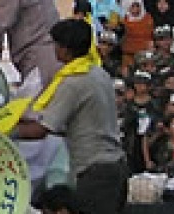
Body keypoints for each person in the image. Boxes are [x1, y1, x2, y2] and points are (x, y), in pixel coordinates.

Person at [14, 19, 128, 214]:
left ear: (65, 49)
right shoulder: (99, 73)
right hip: (116, 167)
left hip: (95, 172)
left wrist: (4, 132)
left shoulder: (73, 82)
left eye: (56, 45)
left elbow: (41, 130)